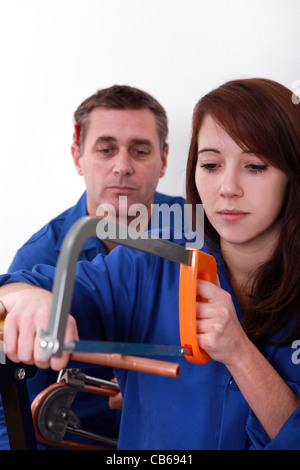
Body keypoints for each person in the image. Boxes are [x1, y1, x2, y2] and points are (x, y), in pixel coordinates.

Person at [1, 77, 300, 450]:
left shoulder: (173, 224)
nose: (227, 188)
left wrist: (239, 353)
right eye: (210, 164)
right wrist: (30, 298)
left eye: (255, 166)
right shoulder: (147, 260)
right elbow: (25, 287)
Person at [0, 85, 185, 449]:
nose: (122, 166)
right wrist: (23, 294)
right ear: (77, 155)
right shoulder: (39, 258)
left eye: (140, 150)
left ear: (163, 160)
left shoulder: (200, 231)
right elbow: (12, 405)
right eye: (106, 149)